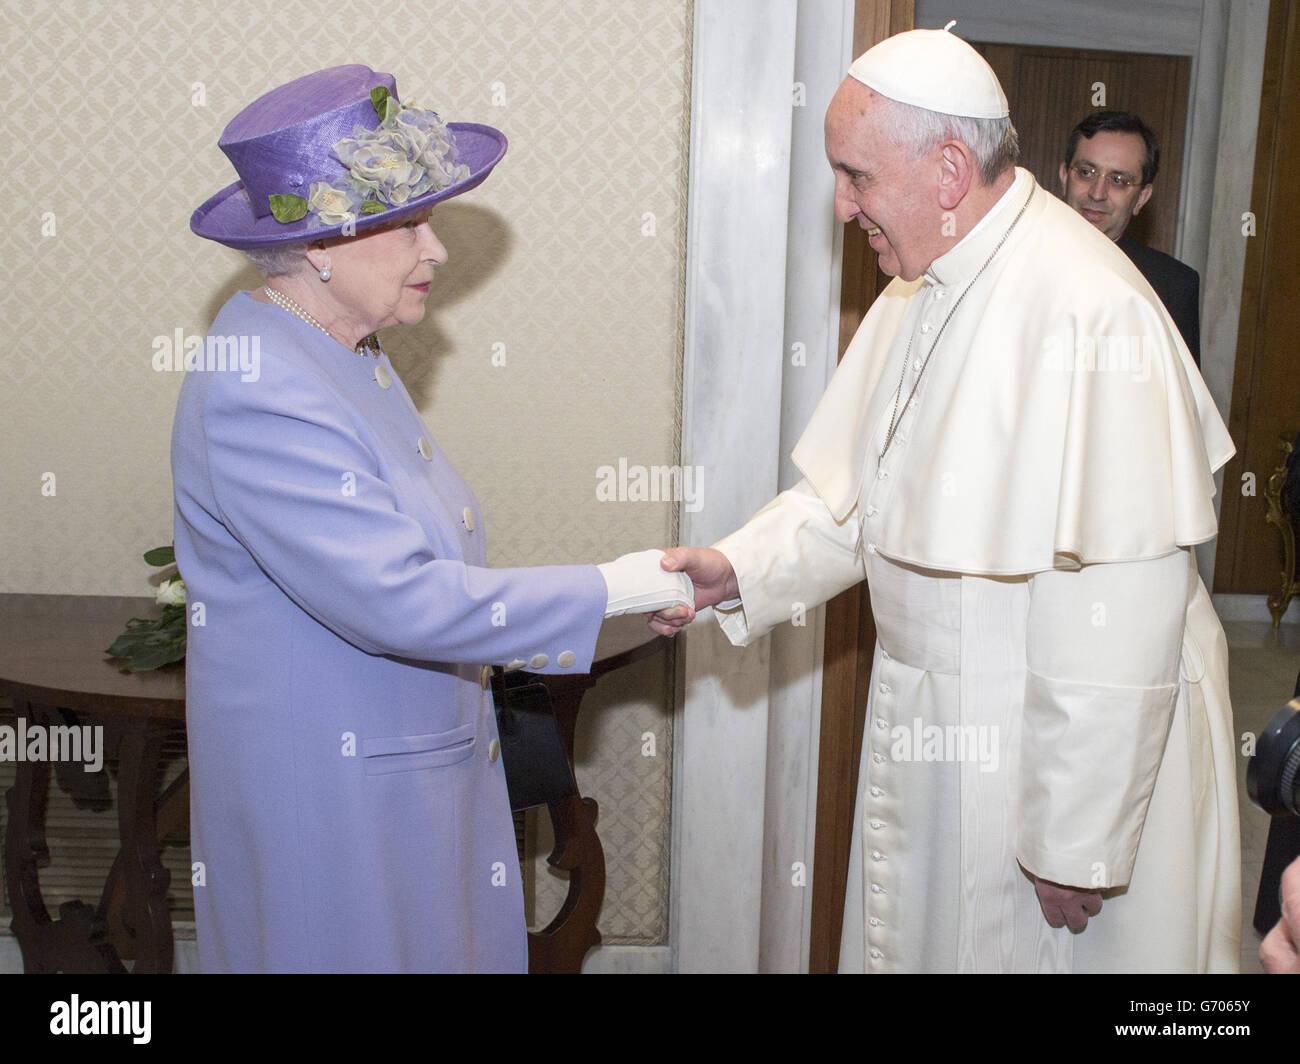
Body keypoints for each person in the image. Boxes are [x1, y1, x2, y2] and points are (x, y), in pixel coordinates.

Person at [652, 28, 1239, 973]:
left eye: (856, 176)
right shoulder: (924, 279)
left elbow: (1121, 606)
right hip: (934, 719)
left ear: (949, 171)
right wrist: (740, 568)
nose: (842, 207)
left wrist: (1075, 841)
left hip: (1043, 751)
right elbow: (864, 492)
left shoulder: (1094, 308)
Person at [176, 64, 690, 972]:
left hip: (400, 781)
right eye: (408, 222)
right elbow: (398, 600)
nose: (437, 250)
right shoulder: (260, 384)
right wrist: (628, 584)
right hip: (331, 810)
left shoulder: (340, 351)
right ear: (323, 245)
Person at [1060, 110, 1201, 366]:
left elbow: (1179, 402)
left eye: (1118, 180)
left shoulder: (1172, 287)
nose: (1097, 193)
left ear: (1142, 197)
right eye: (1086, 172)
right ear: (1064, 176)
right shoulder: (1012, 264)